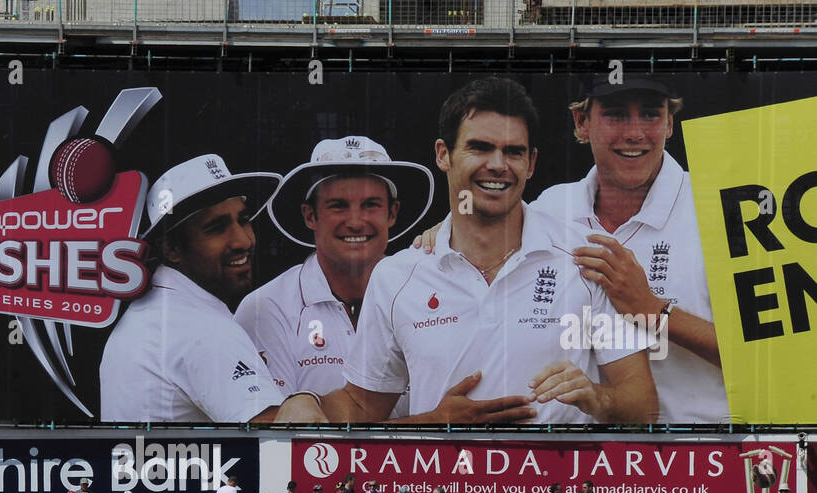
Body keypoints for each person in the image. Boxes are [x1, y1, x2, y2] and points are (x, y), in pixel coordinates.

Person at [323, 77, 657, 426]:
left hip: (559, 481)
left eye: (514, 152)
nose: (498, 165)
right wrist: (300, 405)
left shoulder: (589, 260)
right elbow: (361, 409)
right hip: (444, 482)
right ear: (443, 155)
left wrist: (598, 396)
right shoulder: (396, 277)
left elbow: (644, 405)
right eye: (480, 148)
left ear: (531, 163)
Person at [533, 75, 725, 423]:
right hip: (584, 462)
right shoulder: (549, 207)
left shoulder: (718, 208)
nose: (635, 132)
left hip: (701, 455)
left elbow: (767, 357)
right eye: (616, 114)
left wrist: (652, 310)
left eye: (650, 114)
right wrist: (444, 229)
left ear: (669, 122)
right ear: (582, 122)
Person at [98, 154, 320, 424]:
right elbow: (277, 444)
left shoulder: (152, 313)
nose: (242, 240)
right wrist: (305, 401)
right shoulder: (200, 328)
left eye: (244, 219)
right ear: (172, 249)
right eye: (217, 228)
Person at [235, 135, 433, 405]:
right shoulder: (265, 309)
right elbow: (280, 432)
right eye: (338, 206)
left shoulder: (431, 291)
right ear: (310, 216)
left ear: (392, 213)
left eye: (370, 205)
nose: (355, 222)